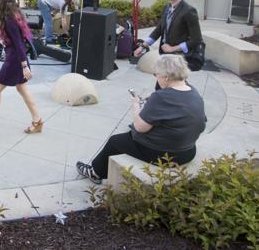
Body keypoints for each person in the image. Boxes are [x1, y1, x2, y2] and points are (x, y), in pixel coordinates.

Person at [76, 55, 206, 184]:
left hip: (166, 155)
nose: (156, 77)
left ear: (166, 77)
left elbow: (140, 127)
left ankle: (95, 172)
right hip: (188, 151)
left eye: (156, 74)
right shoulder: (194, 93)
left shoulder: (161, 97)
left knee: (115, 141)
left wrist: (136, 104)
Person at [0, 0, 42, 137]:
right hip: (18, 58)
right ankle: (37, 121)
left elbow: (18, 43)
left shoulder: (10, 20)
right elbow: (18, 41)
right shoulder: (17, 16)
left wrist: (24, 66)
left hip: (14, 60)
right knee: (22, 89)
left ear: (2, 3)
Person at [134, 0, 203, 62]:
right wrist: (143, 46)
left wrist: (173, 48)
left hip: (180, 57)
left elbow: (197, 39)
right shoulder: (166, 8)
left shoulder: (189, 11)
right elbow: (159, 30)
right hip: (164, 54)